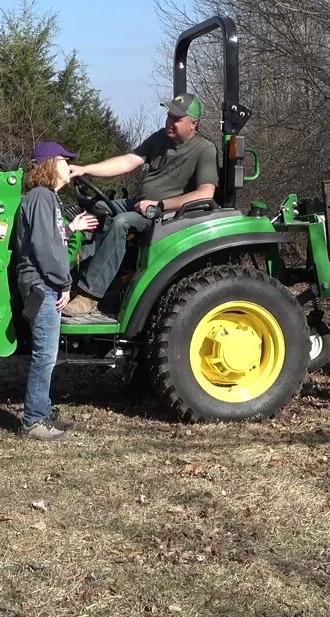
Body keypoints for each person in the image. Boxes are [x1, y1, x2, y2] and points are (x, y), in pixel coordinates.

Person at [61, 92, 218, 316]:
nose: (170, 122)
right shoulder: (160, 138)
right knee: (97, 209)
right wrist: (85, 169)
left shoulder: (205, 150)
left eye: (177, 118)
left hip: (169, 214)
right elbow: (128, 160)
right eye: (169, 116)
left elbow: (205, 194)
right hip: (141, 204)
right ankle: (75, 277)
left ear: (194, 124)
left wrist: (160, 205)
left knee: (121, 223)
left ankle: (90, 295)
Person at [14, 140, 99, 441]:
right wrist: (63, 283)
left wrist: (70, 228)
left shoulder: (46, 199)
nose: (70, 166)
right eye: (65, 160)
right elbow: (45, 248)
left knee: (46, 353)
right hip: (42, 284)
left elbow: (51, 236)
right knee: (45, 355)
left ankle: (43, 411)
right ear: (51, 164)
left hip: (44, 283)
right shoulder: (41, 198)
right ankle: (34, 421)